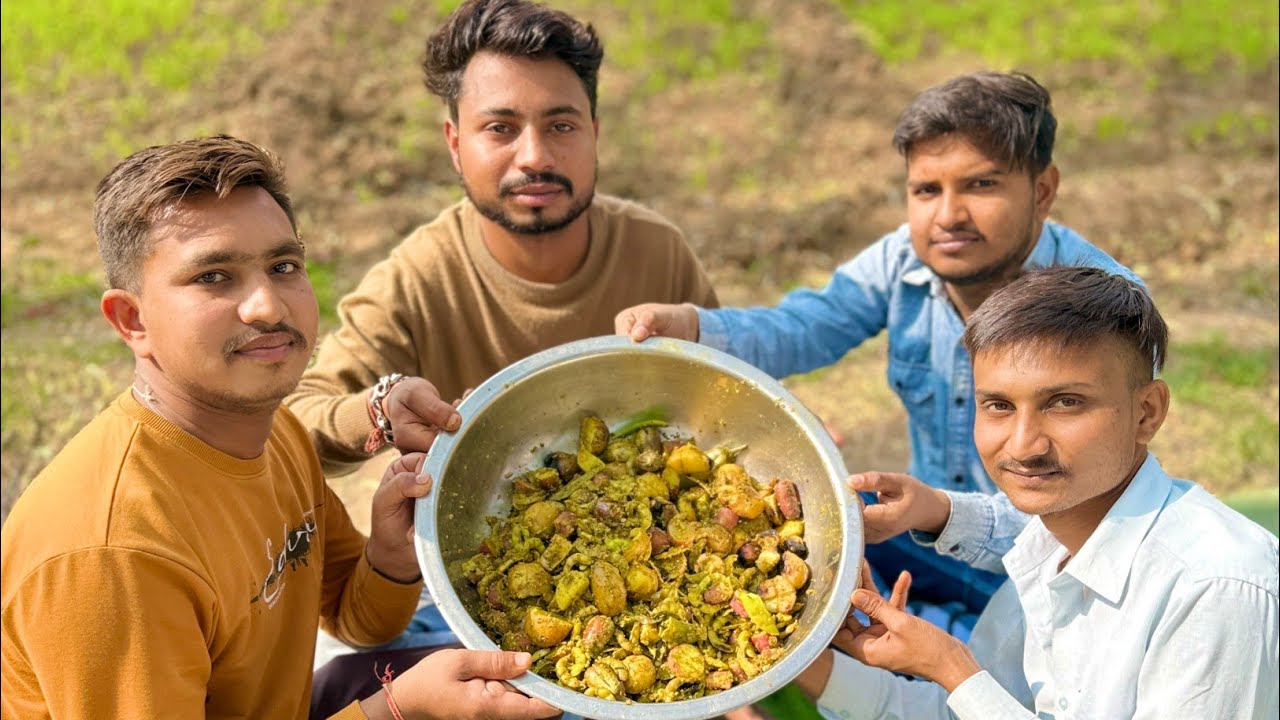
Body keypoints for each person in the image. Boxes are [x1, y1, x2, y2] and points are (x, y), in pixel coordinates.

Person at [0, 135, 559, 720]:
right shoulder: (115, 554)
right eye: (215, 277)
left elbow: (355, 619)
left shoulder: (272, 432)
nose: (267, 306)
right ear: (132, 319)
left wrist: (392, 554)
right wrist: (399, 711)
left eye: (283, 266)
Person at [616, 71, 1140, 633]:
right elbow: (806, 325)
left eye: (982, 186)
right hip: (932, 539)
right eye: (926, 191)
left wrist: (938, 513)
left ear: (1042, 191)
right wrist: (692, 325)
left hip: (1056, 563)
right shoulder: (903, 261)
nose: (948, 216)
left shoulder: (1099, 311)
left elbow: (1092, 507)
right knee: (790, 556)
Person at [796, 266, 1279, 718]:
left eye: (1065, 403)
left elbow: (969, 696)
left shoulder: (1214, 589)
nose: (1025, 444)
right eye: (999, 406)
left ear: (1147, 412)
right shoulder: (1049, 547)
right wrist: (805, 658)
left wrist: (955, 670)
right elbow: (955, 712)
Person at [285, 0, 717, 477]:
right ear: (454, 144)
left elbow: (737, 402)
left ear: (594, 134)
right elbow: (294, 423)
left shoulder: (657, 252)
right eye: (500, 128)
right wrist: (380, 410)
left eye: (561, 126)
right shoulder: (418, 282)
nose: (534, 156)